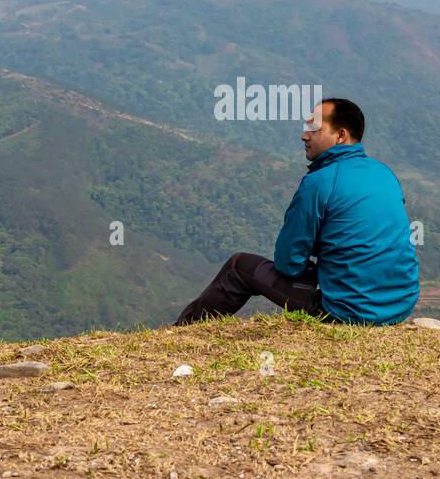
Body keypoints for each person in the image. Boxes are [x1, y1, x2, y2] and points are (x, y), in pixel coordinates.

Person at [173, 97, 419, 326]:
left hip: (348, 312)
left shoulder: (320, 182)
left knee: (240, 267)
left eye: (314, 129)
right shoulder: (384, 173)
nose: (304, 136)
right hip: (401, 304)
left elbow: (288, 263)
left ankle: (181, 331)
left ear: (341, 135)